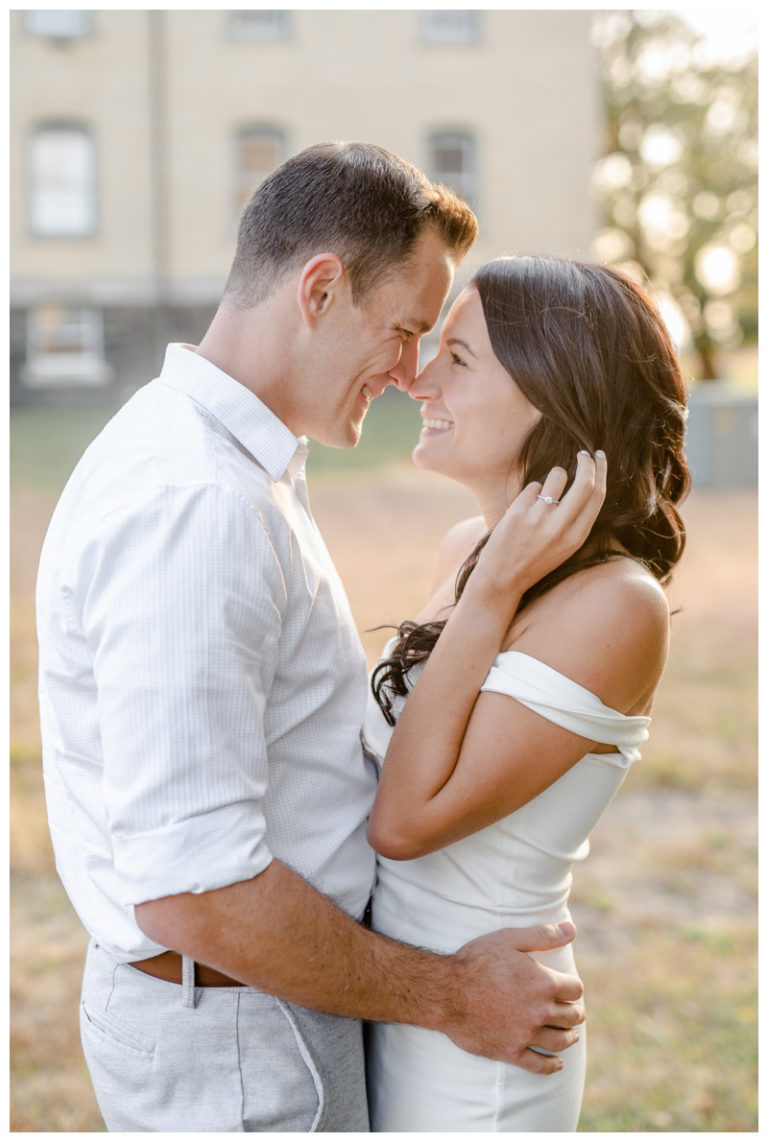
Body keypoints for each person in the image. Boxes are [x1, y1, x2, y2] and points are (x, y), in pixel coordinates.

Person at [36, 144, 599, 1133]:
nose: (413, 371)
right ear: (322, 288)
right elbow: (193, 892)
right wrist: (453, 994)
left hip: (257, 1005)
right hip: (242, 1036)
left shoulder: (230, 462)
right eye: (407, 331)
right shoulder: (196, 505)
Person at [363, 255, 691, 1131]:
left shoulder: (618, 605)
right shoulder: (464, 548)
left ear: (555, 394)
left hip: (487, 1053)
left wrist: (495, 591)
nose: (418, 378)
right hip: (403, 999)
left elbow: (404, 822)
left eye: (458, 359)